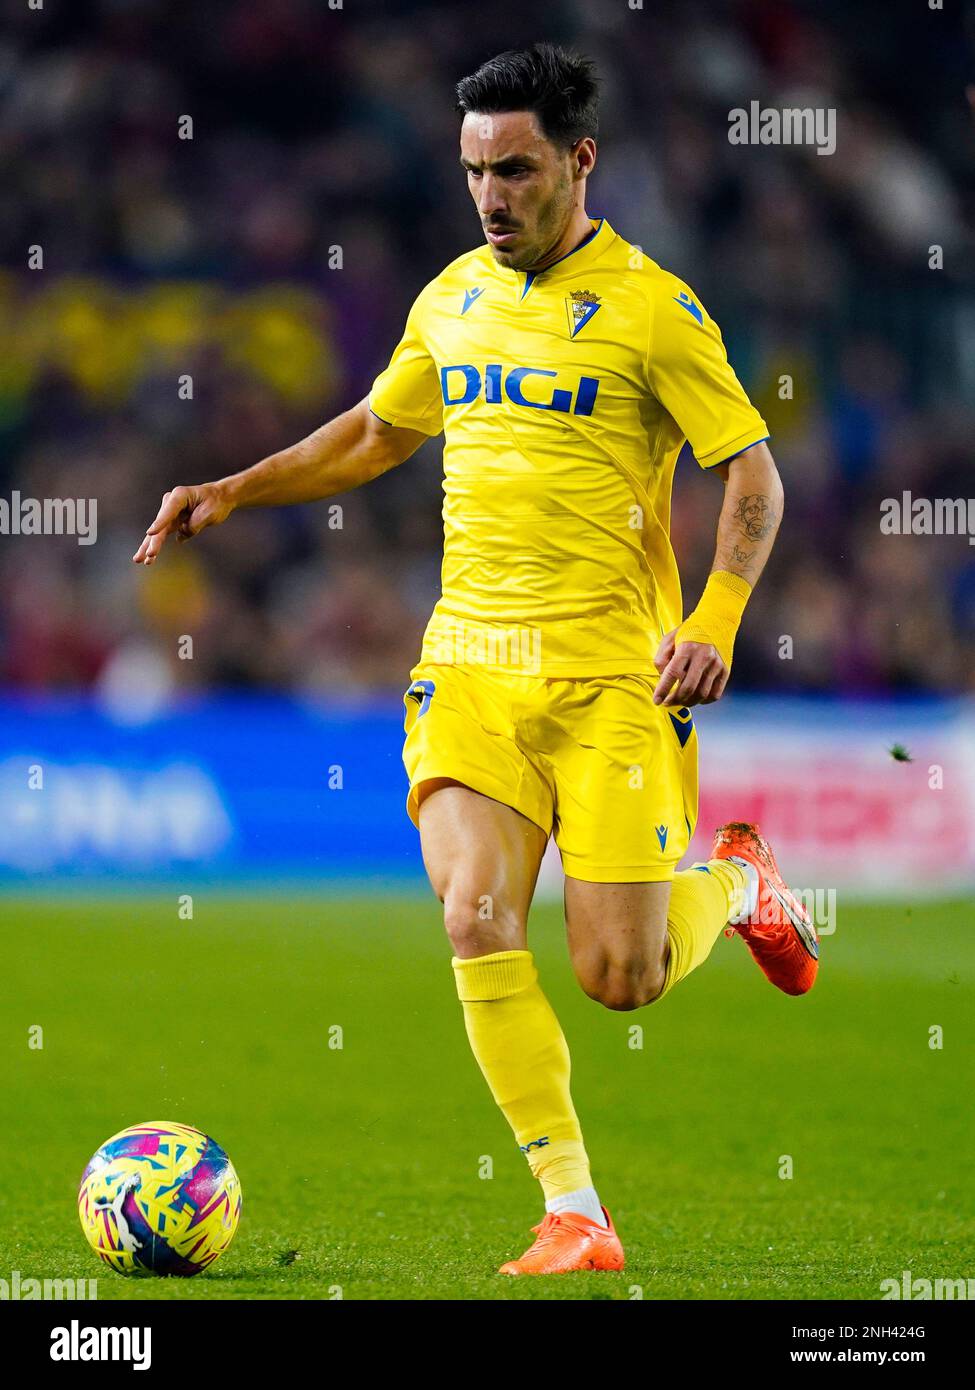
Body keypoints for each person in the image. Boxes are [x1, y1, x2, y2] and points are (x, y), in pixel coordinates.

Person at [134, 42, 819, 1277]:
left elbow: (753, 478)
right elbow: (377, 430)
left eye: (516, 170)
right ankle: (575, 1210)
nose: (492, 197)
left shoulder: (655, 311)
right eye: (473, 173)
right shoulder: (451, 296)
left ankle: (742, 884)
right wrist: (236, 488)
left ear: (578, 162)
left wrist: (714, 620)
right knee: (473, 912)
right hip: (470, 667)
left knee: (624, 977)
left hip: (614, 677)